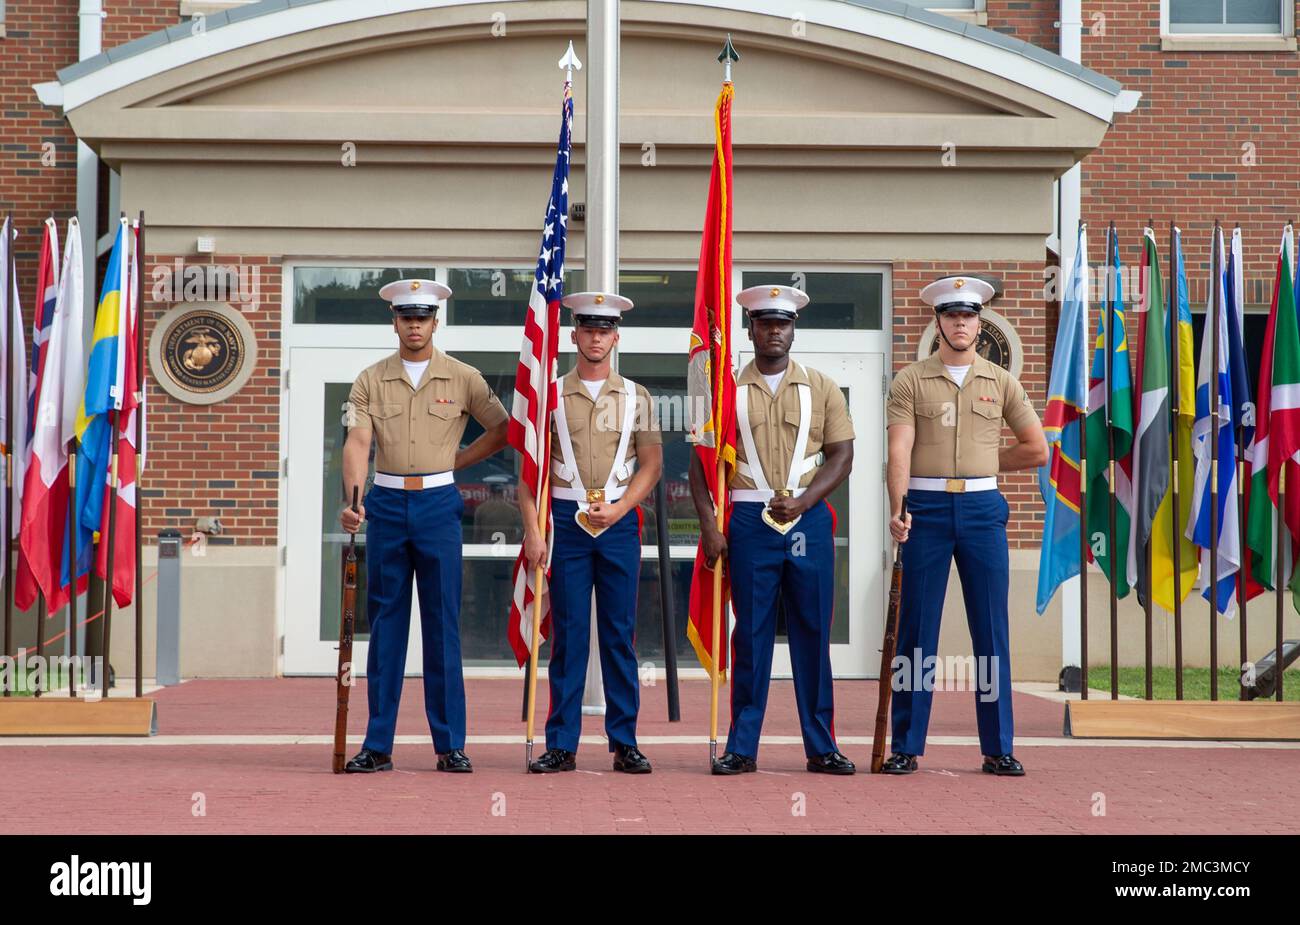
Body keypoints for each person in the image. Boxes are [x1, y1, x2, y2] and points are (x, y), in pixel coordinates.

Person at [339, 278, 509, 773]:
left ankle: (449, 744)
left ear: (437, 322)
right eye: (405, 316)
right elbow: (357, 442)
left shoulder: (464, 377)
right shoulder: (370, 379)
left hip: (438, 504)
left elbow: (502, 430)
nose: (414, 325)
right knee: (387, 626)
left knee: (441, 626)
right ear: (394, 321)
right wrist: (353, 500)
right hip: (387, 503)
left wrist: (456, 461)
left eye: (422, 317)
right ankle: (378, 745)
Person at [882, 275, 1047, 776]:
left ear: (980, 323)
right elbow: (899, 449)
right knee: (915, 632)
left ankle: (998, 747)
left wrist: (983, 459)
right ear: (938, 322)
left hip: (981, 511)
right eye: (951, 315)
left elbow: (1037, 448)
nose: (960, 323)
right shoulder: (911, 380)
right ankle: (906, 746)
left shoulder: (1001, 382)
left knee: (990, 630)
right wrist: (897, 505)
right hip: (926, 511)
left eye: (969, 316)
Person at [690, 285, 856, 775]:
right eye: (765, 324)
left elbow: (843, 456)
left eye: (783, 324)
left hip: (807, 517)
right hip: (747, 521)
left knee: (811, 632)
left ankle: (821, 746)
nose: (775, 332)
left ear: (793, 330)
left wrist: (805, 500)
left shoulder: (822, 387)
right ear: (751, 330)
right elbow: (699, 466)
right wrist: (709, 527)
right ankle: (742, 746)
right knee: (753, 634)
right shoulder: (722, 390)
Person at [519, 291, 663, 774]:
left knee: (619, 636)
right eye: (588, 329)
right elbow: (530, 473)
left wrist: (621, 508)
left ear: (616, 337)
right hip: (566, 523)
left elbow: (652, 464)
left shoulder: (638, 397)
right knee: (570, 635)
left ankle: (625, 741)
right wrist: (533, 533)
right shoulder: (550, 394)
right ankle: (561, 743)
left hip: (618, 524)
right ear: (574, 335)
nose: (596, 337)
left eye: (605, 330)